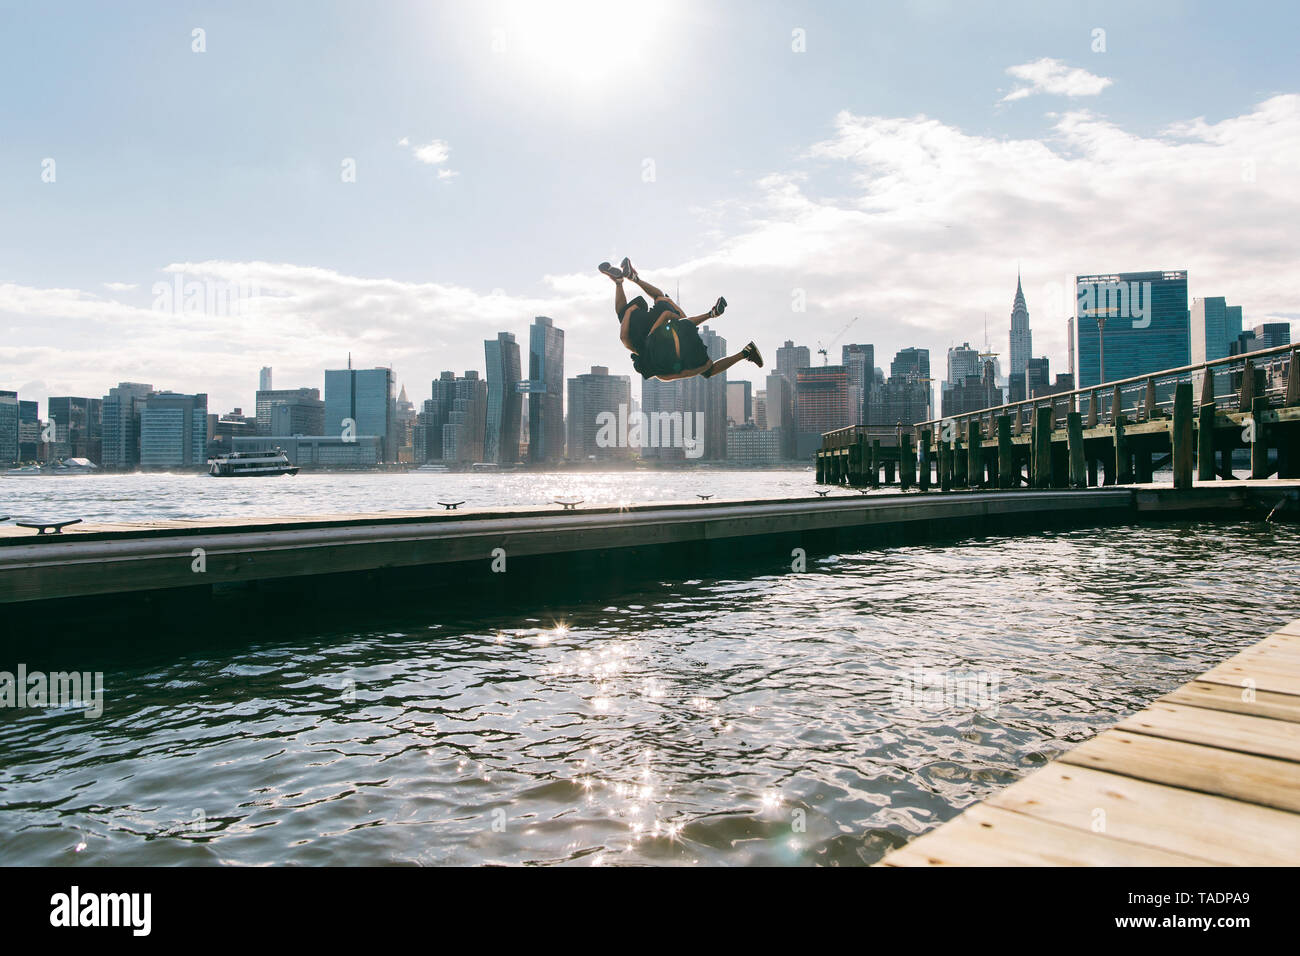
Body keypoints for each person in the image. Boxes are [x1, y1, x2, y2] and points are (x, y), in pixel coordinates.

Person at [599, 258, 762, 380]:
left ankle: (744, 351)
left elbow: (682, 371)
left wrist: (702, 366)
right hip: (660, 330)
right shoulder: (640, 348)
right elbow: (626, 335)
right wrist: (627, 314)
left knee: (707, 369)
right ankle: (630, 279)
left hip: (669, 336)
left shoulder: (658, 367)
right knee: (657, 298)